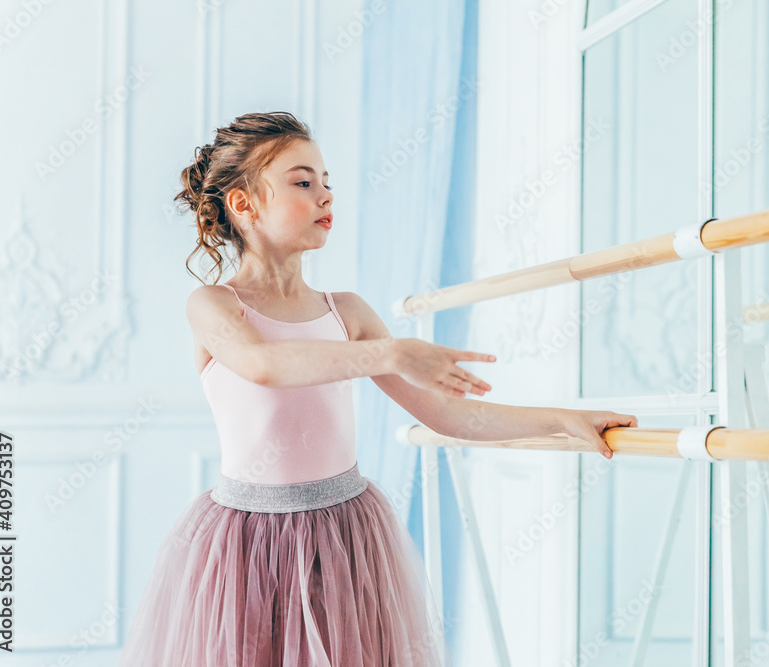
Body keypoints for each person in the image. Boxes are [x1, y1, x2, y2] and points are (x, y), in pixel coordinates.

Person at [117, 111, 637, 666]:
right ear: (243, 205)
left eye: (326, 182)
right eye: (302, 182)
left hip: (345, 537)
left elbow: (448, 414)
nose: (324, 196)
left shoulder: (347, 312)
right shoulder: (215, 306)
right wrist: (390, 352)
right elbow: (263, 363)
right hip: (249, 546)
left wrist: (561, 419)